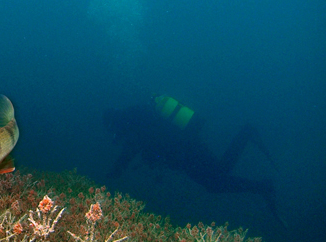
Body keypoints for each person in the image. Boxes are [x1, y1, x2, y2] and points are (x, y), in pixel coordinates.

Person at [103, 96, 283, 224]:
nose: (115, 135)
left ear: (114, 121)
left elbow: (132, 147)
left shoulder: (134, 121)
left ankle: (247, 136)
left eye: (113, 130)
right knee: (216, 180)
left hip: (187, 151)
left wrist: (116, 170)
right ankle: (263, 186)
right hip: (185, 153)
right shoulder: (136, 116)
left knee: (216, 180)